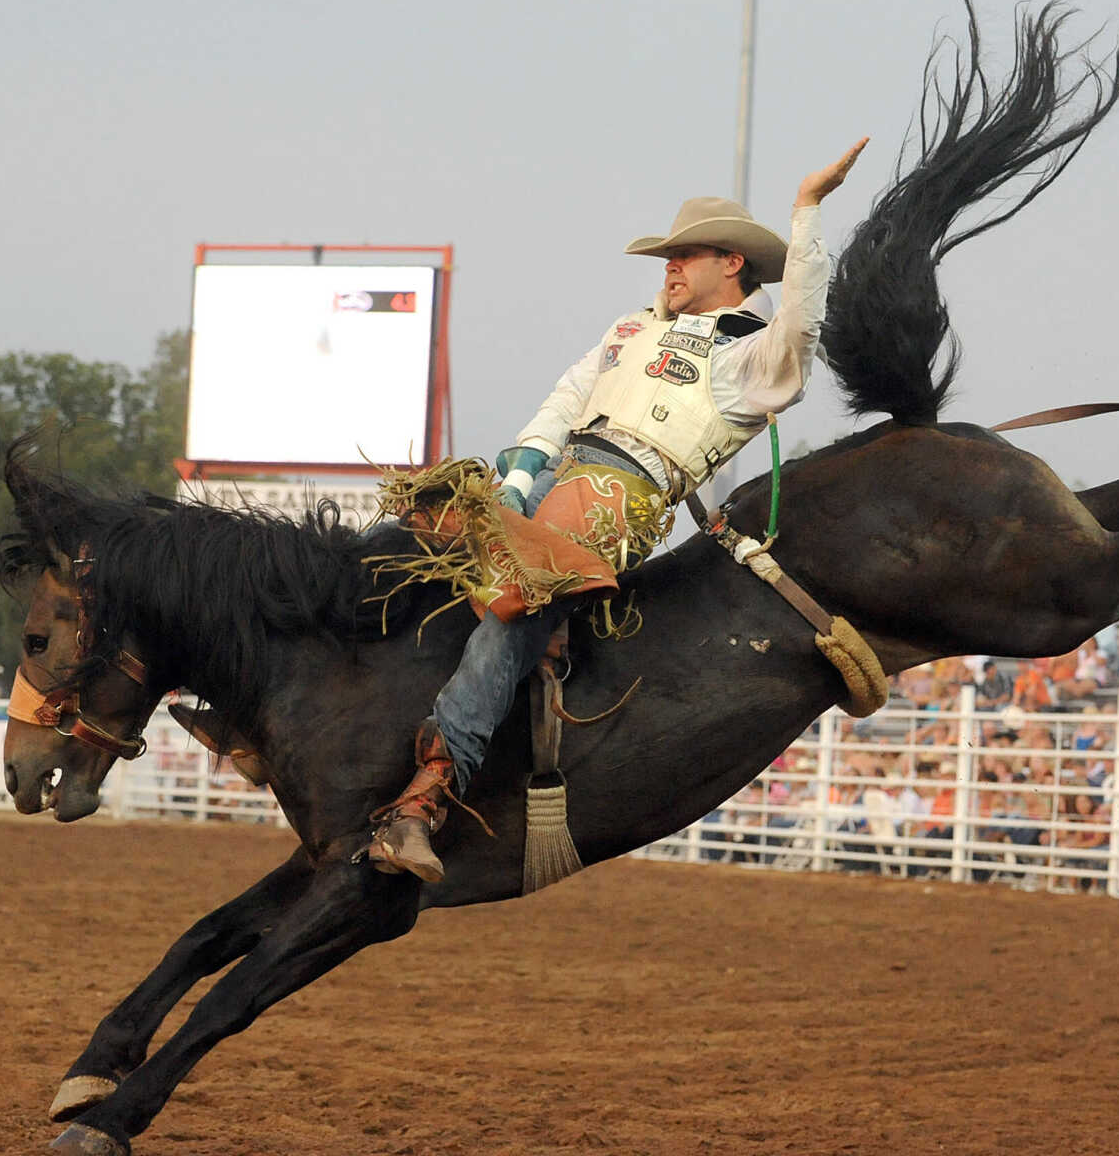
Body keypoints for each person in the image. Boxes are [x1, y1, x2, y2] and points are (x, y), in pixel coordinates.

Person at [367, 139, 871, 879]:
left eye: (686, 253)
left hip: (621, 496)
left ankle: (426, 800)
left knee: (514, 605)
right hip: (553, 469)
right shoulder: (630, 329)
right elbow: (565, 400)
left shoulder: (753, 356)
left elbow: (802, 323)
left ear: (732, 263)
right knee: (404, 532)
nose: (669, 265)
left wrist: (805, 211)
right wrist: (516, 478)